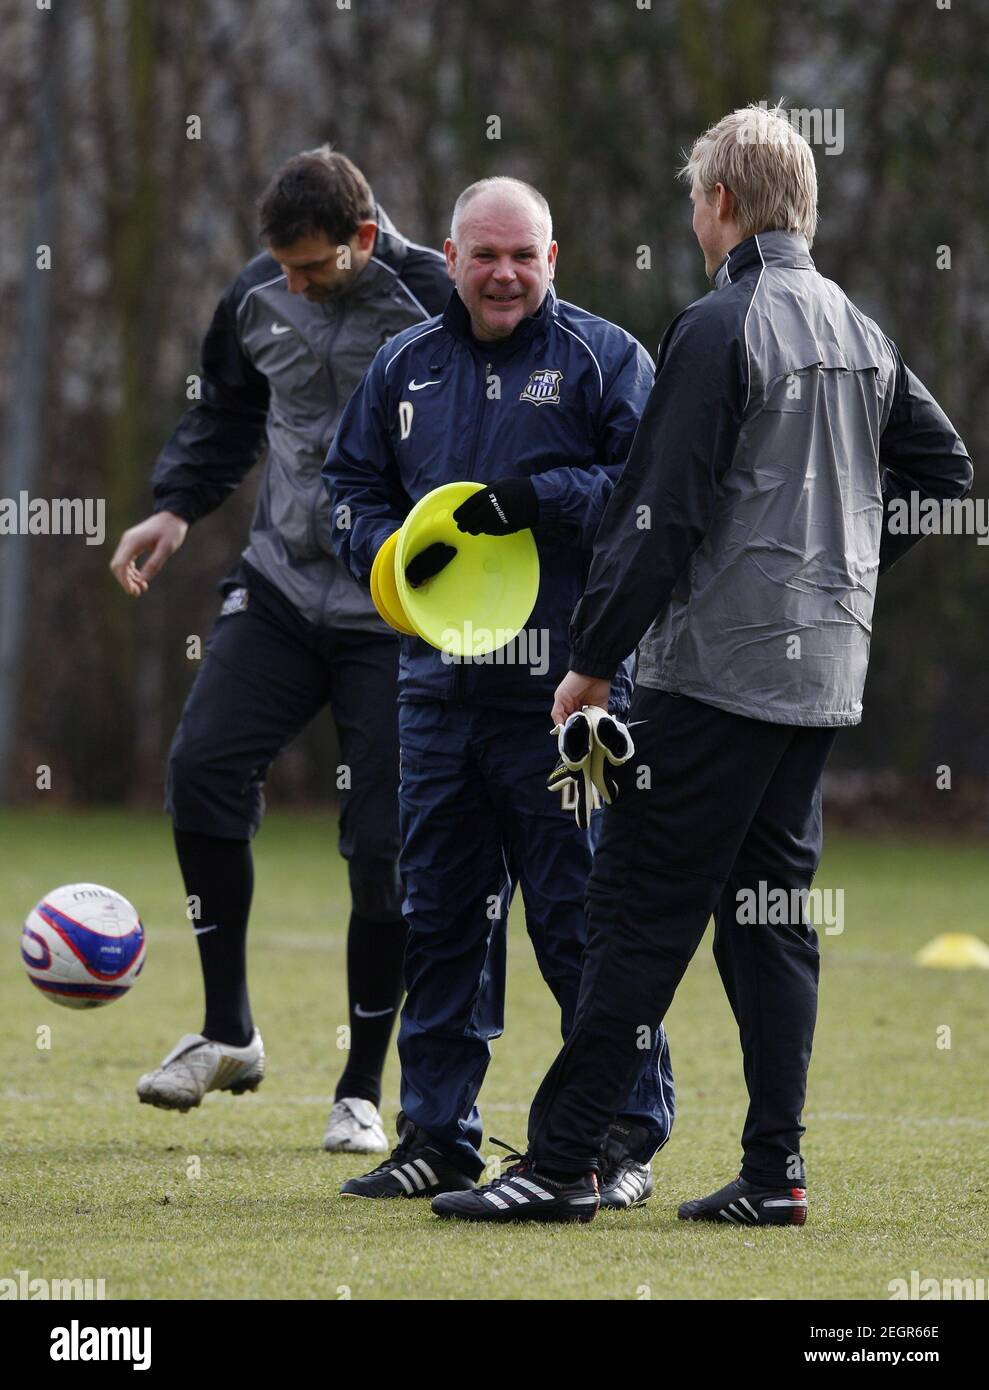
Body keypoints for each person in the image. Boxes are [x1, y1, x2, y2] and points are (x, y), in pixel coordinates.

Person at [431, 107, 974, 1225]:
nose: (691, 219)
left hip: (717, 673)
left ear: (719, 203)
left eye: (694, 200)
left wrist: (589, 660)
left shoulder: (721, 324)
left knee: (633, 909)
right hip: (817, 679)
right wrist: (844, 573)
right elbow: (942, 468)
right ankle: (773, 1175)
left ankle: (562, 1161)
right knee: (770, 920)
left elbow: (656, 516)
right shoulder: (856, 325)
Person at [323, 176, 675, 1206]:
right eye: (484, 254)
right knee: (437, 920)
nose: (504, 273)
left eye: (523, 254)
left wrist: (532, 499)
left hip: (566, 694)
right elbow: (343, 489)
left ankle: (617, 1136)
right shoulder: (402, 365)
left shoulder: (605, 361)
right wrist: (385, 550)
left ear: (551, 259)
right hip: (434, 693)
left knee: (578, 924)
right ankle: (438, 1133)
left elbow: (650, 491)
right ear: (450, 254)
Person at [109, 147, 452, 1152]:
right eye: (282, 266)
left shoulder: (437, 296)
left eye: (311, 267)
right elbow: (227, 411)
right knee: (203, 770)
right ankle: (229, 1030)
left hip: (394, 610)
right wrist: (174, 507)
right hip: (281, 583)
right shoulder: (258, 292)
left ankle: (358, 1087)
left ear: (364, 236)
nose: (291, 283)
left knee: (386, 852)